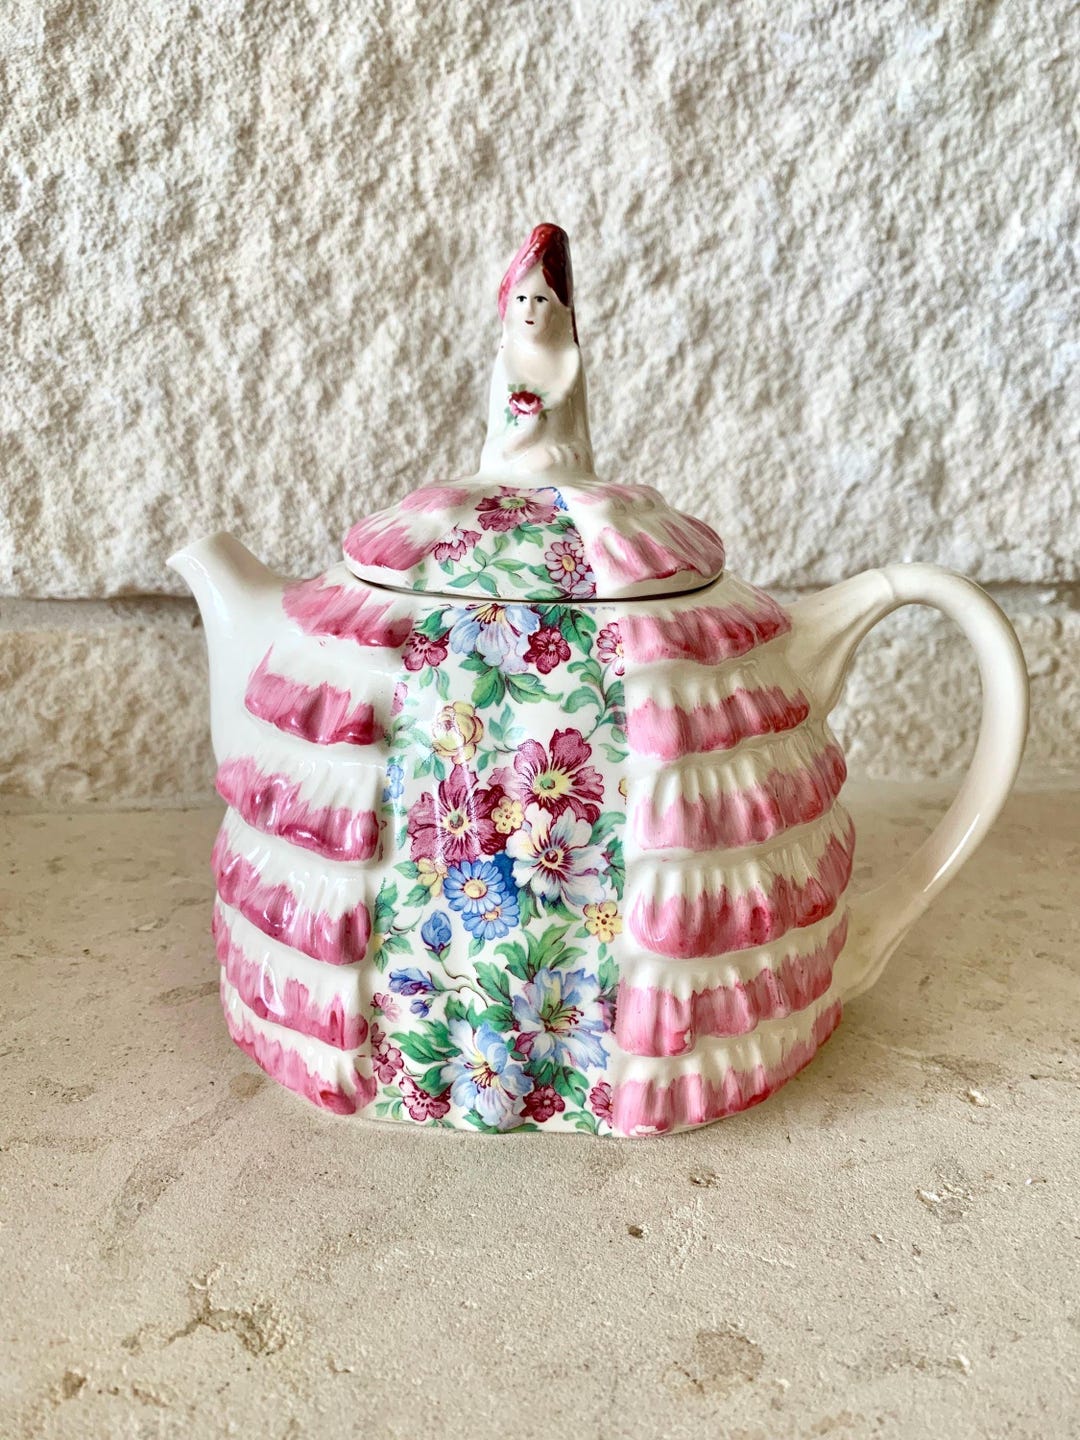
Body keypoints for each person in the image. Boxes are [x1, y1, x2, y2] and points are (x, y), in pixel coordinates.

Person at [478, 224, 595, 480]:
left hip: (560, 465)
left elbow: (582, 441)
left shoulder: (570, 361)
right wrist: (523, 436)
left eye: (540, 300)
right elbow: (495, 444)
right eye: (521, 299)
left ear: (559, 309)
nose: (529, 310)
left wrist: (570, 454)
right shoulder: (507, 360)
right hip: (511, 465)